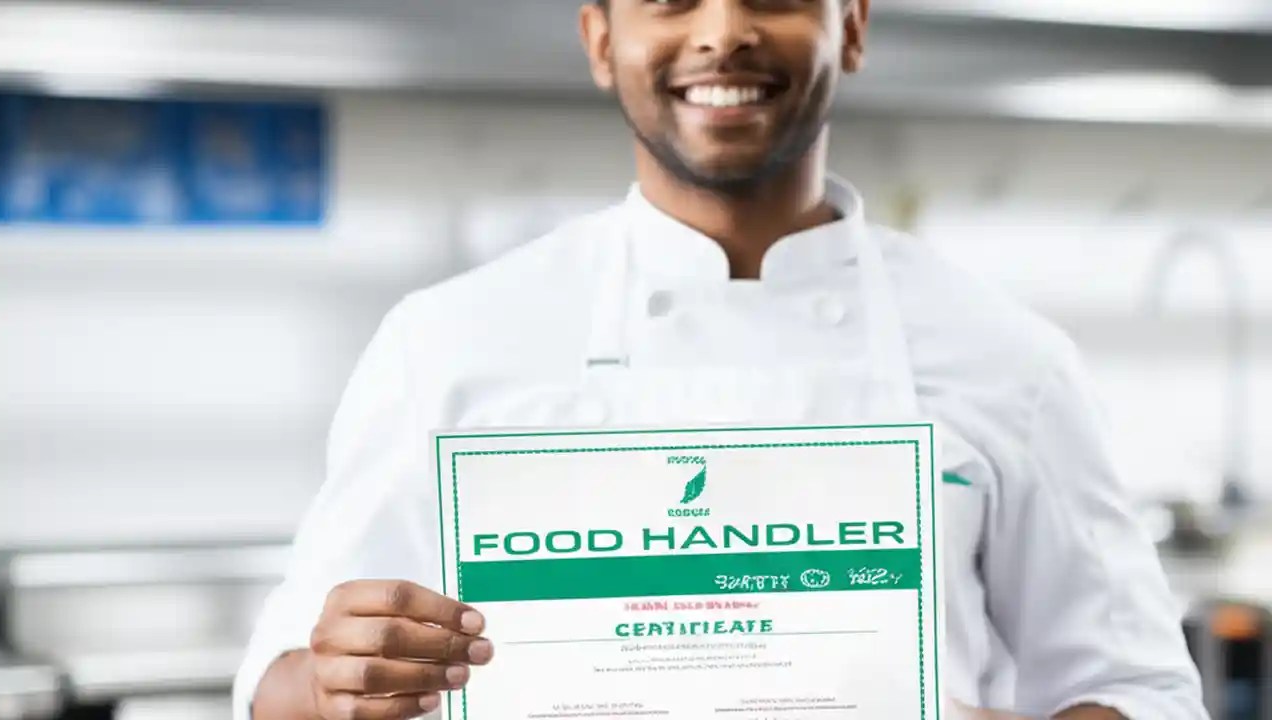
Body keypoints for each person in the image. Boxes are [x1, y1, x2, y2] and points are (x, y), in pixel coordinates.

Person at [234, 0, 1208, 718]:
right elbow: (274, 690)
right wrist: (329, 684)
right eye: (671, 1)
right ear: (599, 37)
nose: (722, 31)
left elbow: (1136, 692)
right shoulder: (447, 342)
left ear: (853, 26)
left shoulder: (1011, 359)